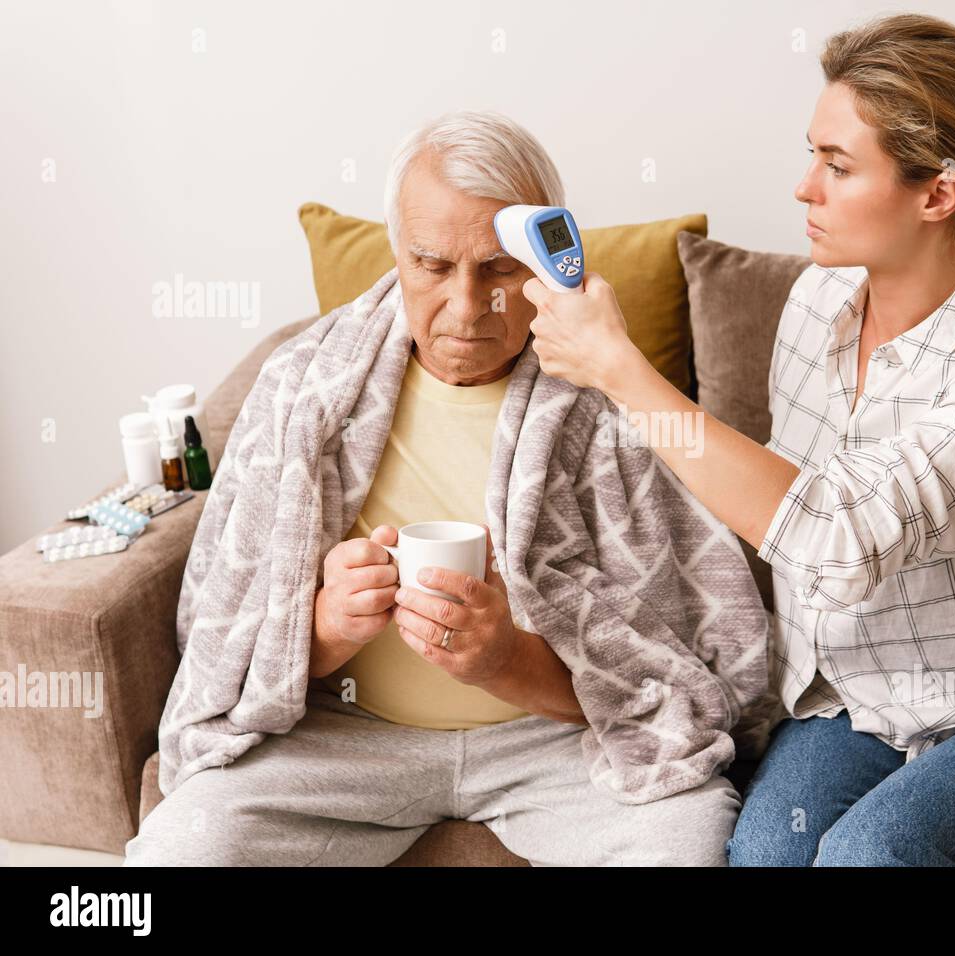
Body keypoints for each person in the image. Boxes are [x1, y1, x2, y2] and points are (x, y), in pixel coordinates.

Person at [524, 13, 955, 867]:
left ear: (936, 194)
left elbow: (833, 537)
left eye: (837, 165)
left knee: (870, 857)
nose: (803, 188)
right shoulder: (816, 304)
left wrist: (621, 369)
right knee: (763, 858)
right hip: (849, 701)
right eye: (812, 155)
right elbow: (767, 497)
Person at [124, 110, 763, 867]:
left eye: (498, 270)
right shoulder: (305, 390)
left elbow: (678, 676)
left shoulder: (612, 402)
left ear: (542, 259)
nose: (466, 308)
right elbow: (226, 634)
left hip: (558, 747)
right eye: (432, 265)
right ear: (397, 251)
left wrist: (507, 662)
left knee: (688, 845)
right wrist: (325, 629)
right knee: (179, 855)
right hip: (345, 737)